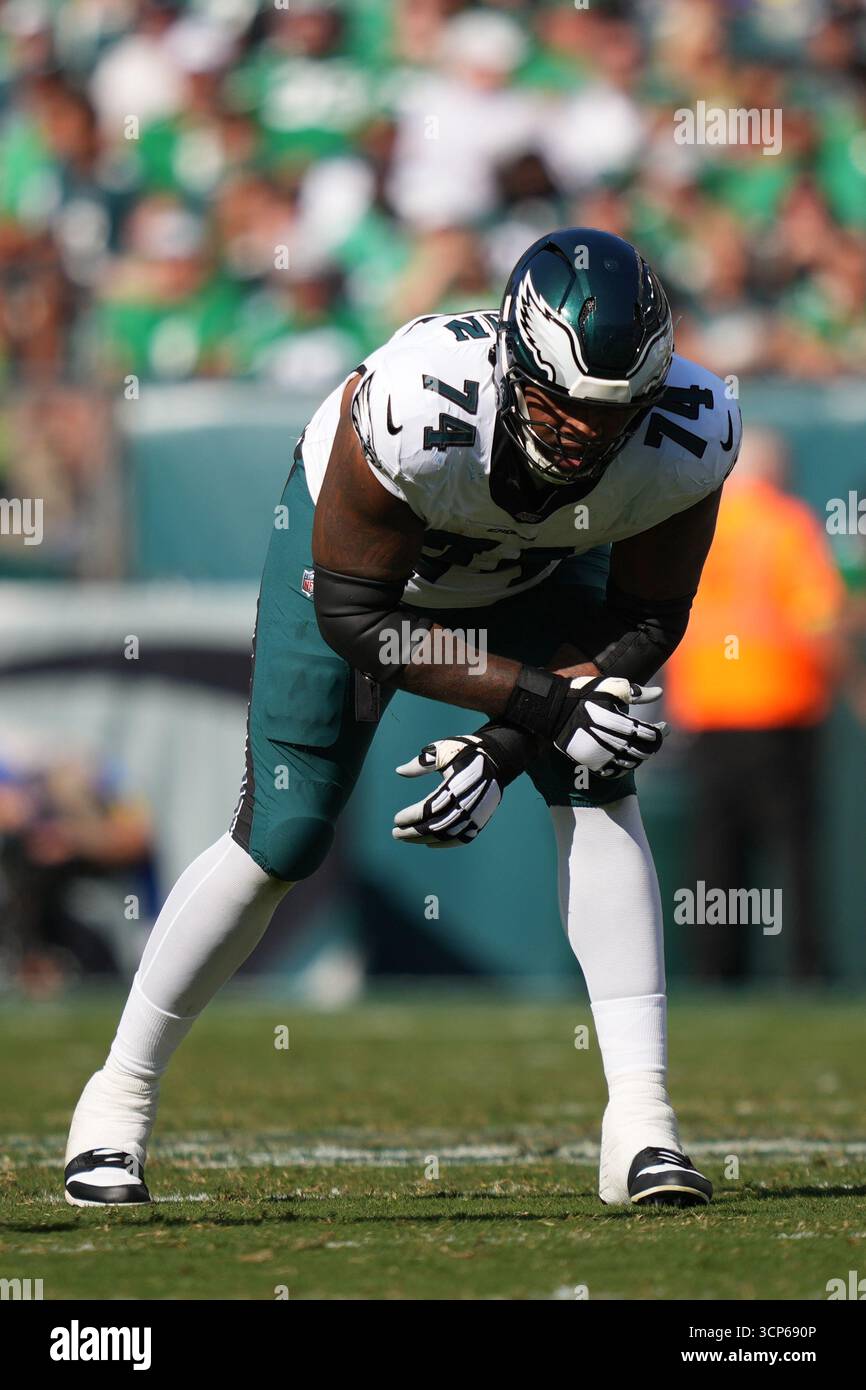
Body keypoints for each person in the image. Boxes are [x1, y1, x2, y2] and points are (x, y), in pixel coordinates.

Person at [65, 228, 740, 1210]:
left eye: (612, 417)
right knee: (284, 834)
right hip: (373, 581)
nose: (584, 441)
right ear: (515, 365)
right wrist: (537, 701)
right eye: (561, 408)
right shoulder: (417, 403)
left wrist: (510, 746)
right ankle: (115, 1099)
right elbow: (355, 617)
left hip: (540, 571)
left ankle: (640, 1124)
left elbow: (648, 616)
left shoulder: (686, 428)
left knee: (596, 779)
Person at [665, 428, 846, 981]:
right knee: (793, 850)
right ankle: (804, 969)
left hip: (709, 710)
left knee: (716, 853)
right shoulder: (786, 524)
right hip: (779, 708)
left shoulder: (698, 526)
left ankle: (718, 973)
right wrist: (848, 678)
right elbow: (818, 617)